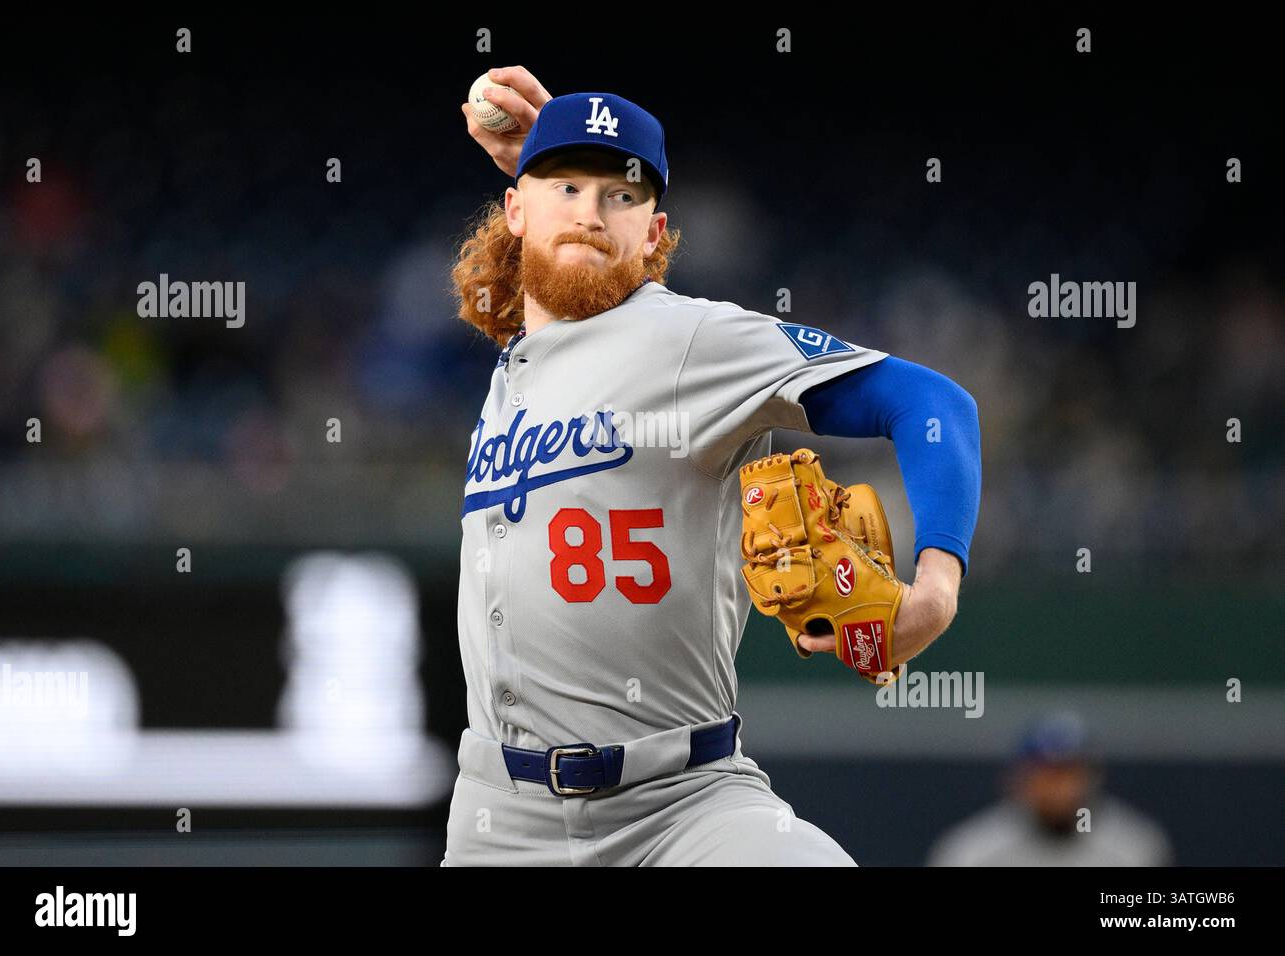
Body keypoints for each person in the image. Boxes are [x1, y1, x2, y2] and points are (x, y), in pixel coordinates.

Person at [442, 67, 982, 865]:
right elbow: (553, 289)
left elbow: (935, 407)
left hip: (684, 808)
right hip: (497, 817)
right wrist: (555, 145)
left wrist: (935, 588)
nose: (592, 213)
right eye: (566, 189)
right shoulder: (519, 363)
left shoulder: (692, 340)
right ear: (514, 209)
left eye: (620, 196)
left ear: (655, 234)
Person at [927, 711, 1174, 866]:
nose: (1060, 789)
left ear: (1092, 777)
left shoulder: (1131, 848)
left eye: (1069, 774)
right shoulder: (974, 852)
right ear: (1019, 779)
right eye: (1047, 775)